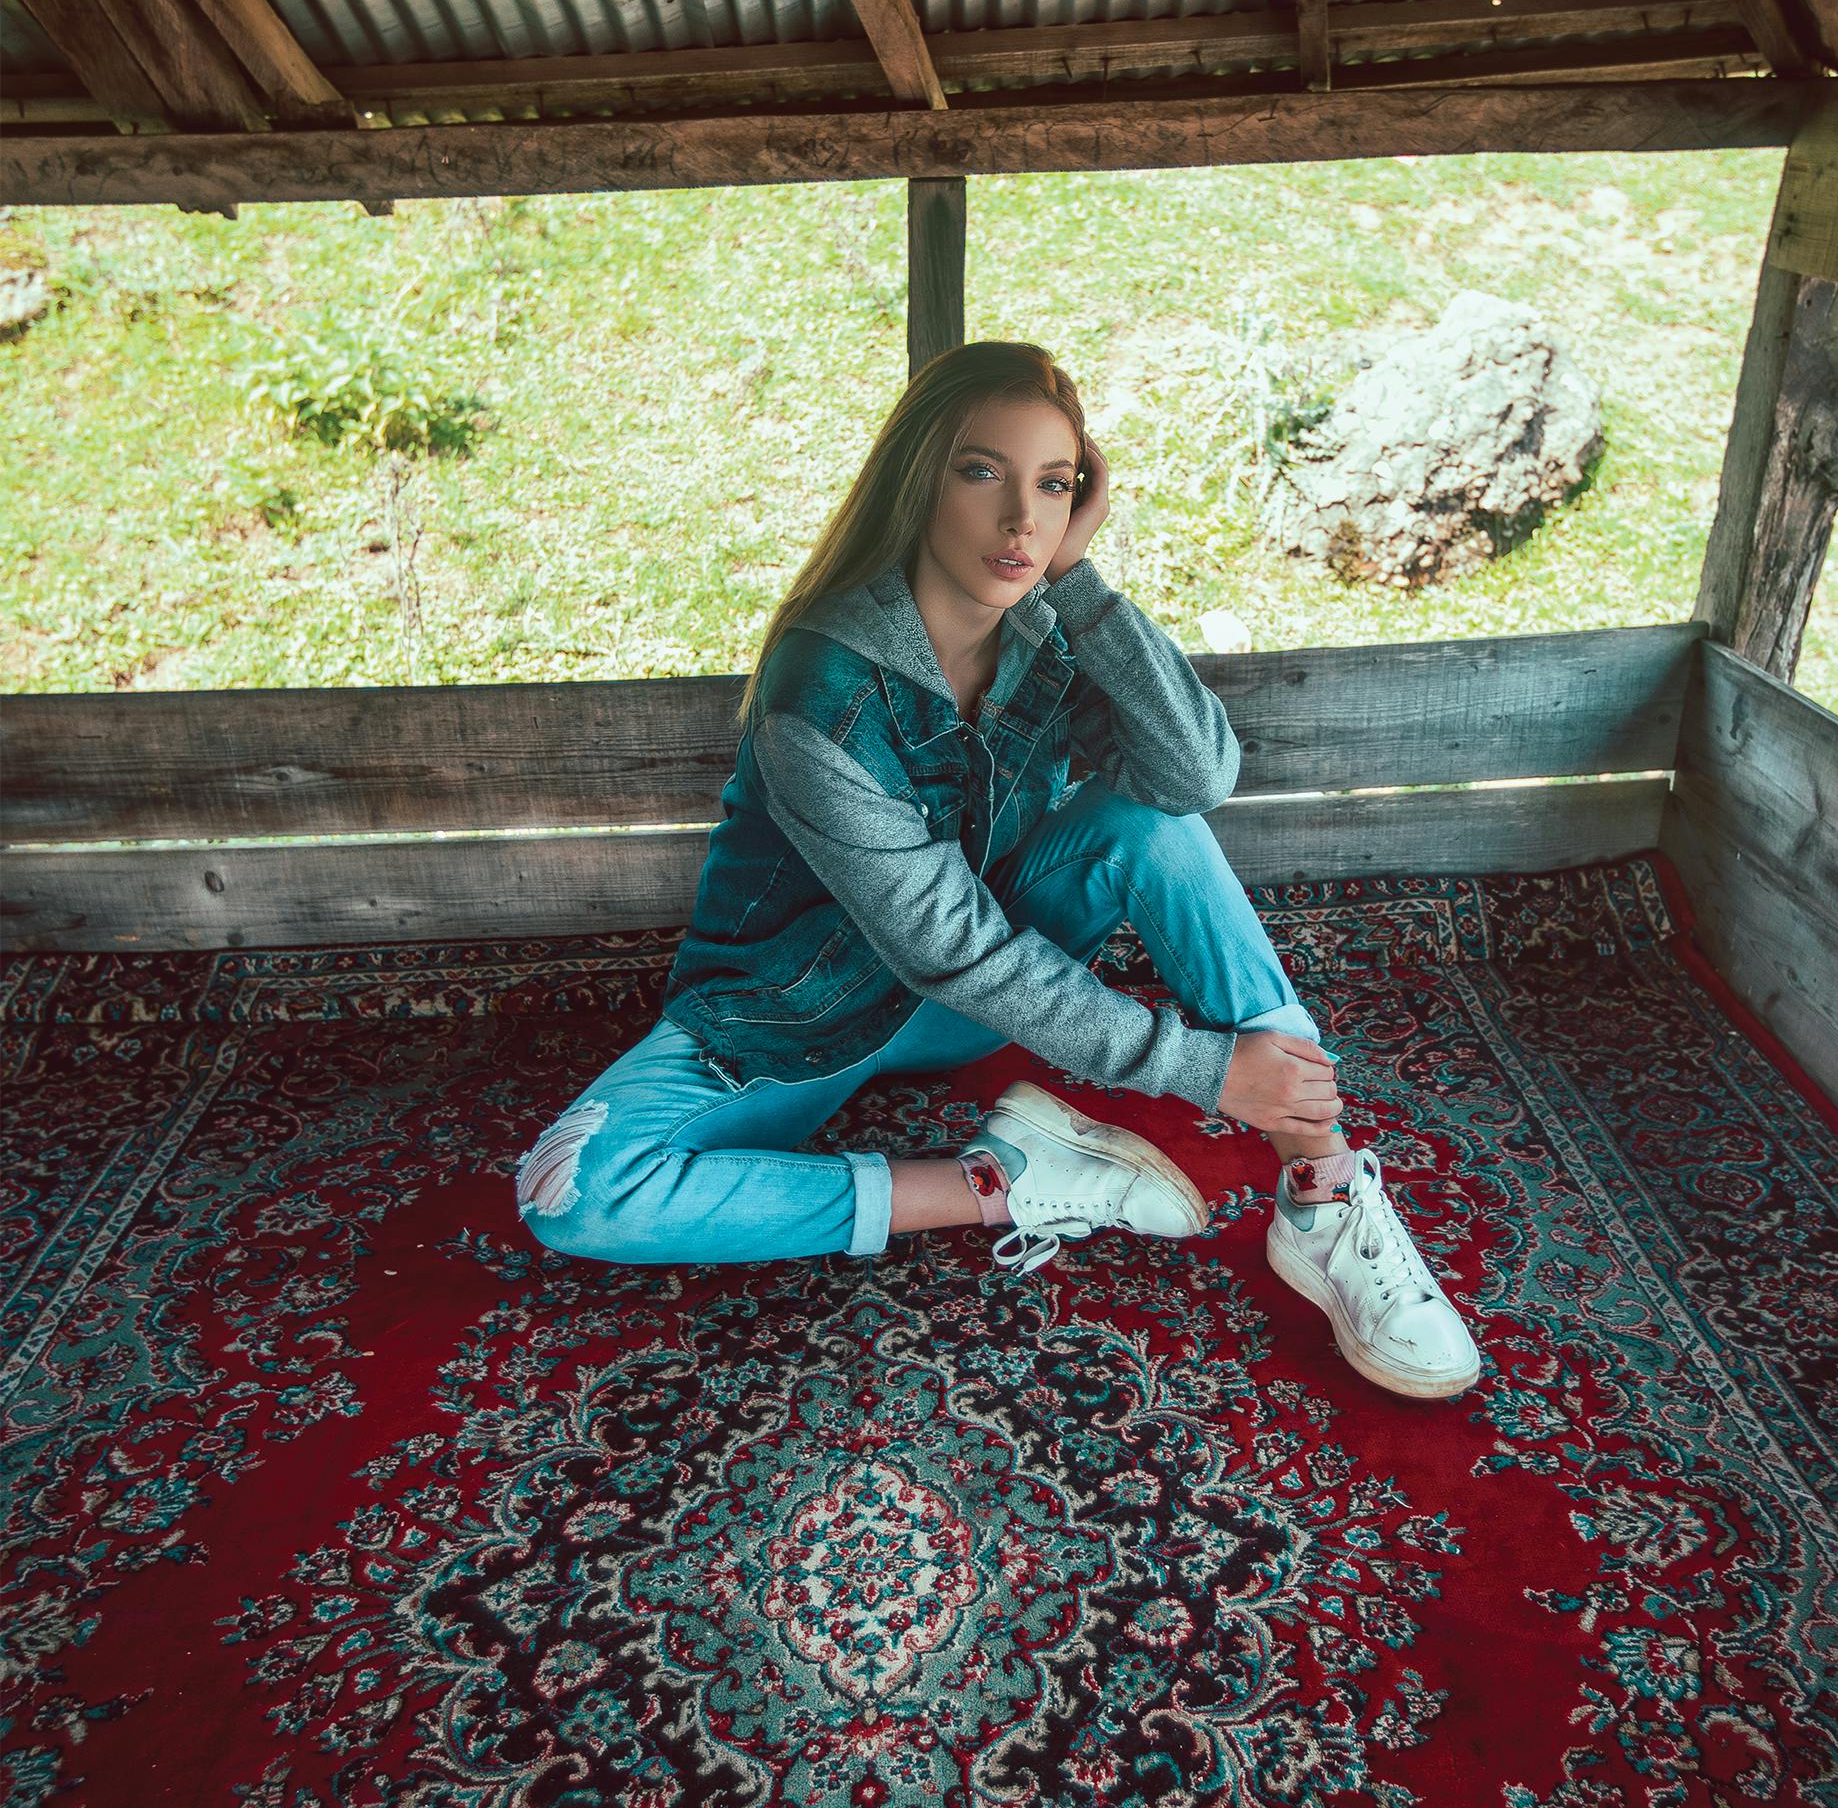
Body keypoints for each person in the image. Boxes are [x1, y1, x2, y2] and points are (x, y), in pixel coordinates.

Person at [515, 340, 1479, 1401]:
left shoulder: (1044, 632)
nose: (1021, 519)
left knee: (1145, 827)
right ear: (917, 478)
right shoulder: (821, 692)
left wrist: (1078, 580)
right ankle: (1005, 1179)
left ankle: (1322, 1184)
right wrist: (1203, 1069)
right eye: (983, 473)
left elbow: (1192, 775)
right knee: (575, 1195)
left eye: (1054, 485)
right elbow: (954, 952)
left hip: (956, 1010)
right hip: (790, 1016)